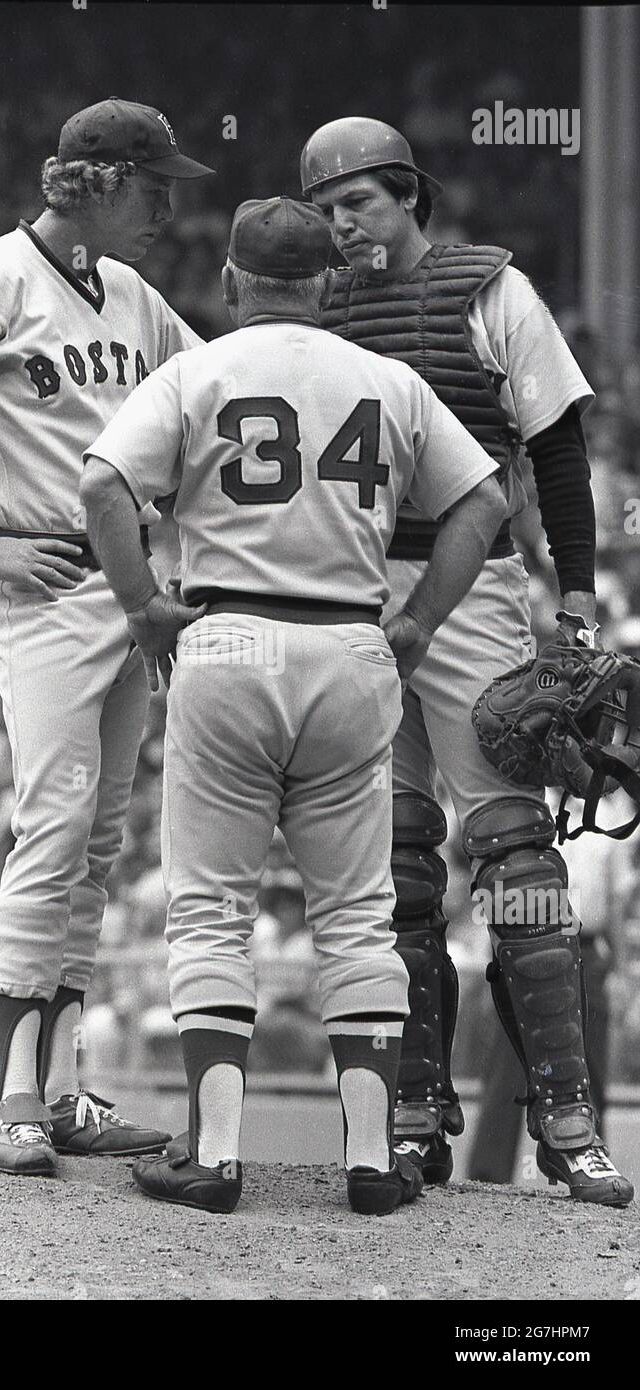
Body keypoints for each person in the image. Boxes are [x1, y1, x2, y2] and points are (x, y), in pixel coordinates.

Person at [79, 196, 507, 1215]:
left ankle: (214, 1154)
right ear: (327, 285)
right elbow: (484, 501)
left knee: (210, 908)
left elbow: (101, 489)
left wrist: (143, 607)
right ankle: (370, 1160)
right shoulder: (388, 380)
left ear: (231, 282)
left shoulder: (195, 371)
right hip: (351, 644)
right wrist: (419, 624)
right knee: (357, 914)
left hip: (226, 635)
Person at [0, 98, 213, 1176]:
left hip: (121, 578)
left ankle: (58, 1088)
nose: (168, 206)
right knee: (55, 826)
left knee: (100, 844)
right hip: (40, 568)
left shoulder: (138, 298)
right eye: (155, 185)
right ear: (99, 181)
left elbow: (216, 393)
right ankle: (12, 1096)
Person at [299, 115, 633, 1205]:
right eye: (327, 206)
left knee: (515, 851)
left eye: (357, 201)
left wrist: (574, 599)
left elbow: (556, 448)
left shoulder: (492, 290)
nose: (341, 222)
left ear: (406, 195)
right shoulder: (314, 304)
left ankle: (570, 1120)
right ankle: (410, 1108)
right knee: (393, 862)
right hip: (349, 592)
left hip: (468, 583)